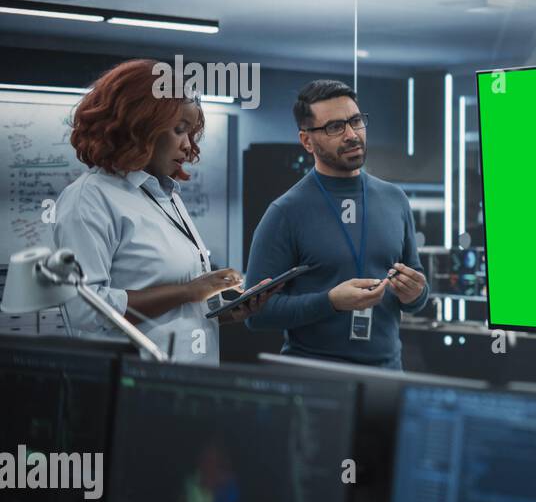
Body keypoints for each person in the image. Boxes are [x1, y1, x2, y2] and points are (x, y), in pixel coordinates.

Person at [55, 59, 275, 364]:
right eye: (179, 130)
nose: (188, 146)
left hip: (189, 381)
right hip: (133, 387)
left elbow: (176, 313)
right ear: (139, 126)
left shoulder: (164, 194)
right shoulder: (89, 198)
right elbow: (86, 311)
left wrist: (221, 310)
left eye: (191, 133)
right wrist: (188, 292)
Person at [244, 79, 429, 370]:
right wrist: (330, 301)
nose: (352, 135)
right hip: (314, 379)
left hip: (387, 373)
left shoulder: (395, 200)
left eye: (356, 121)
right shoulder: (285, 212)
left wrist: (417, 293)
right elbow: (257, 313)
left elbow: (415, 288)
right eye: (335, 127)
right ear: (307, 141)